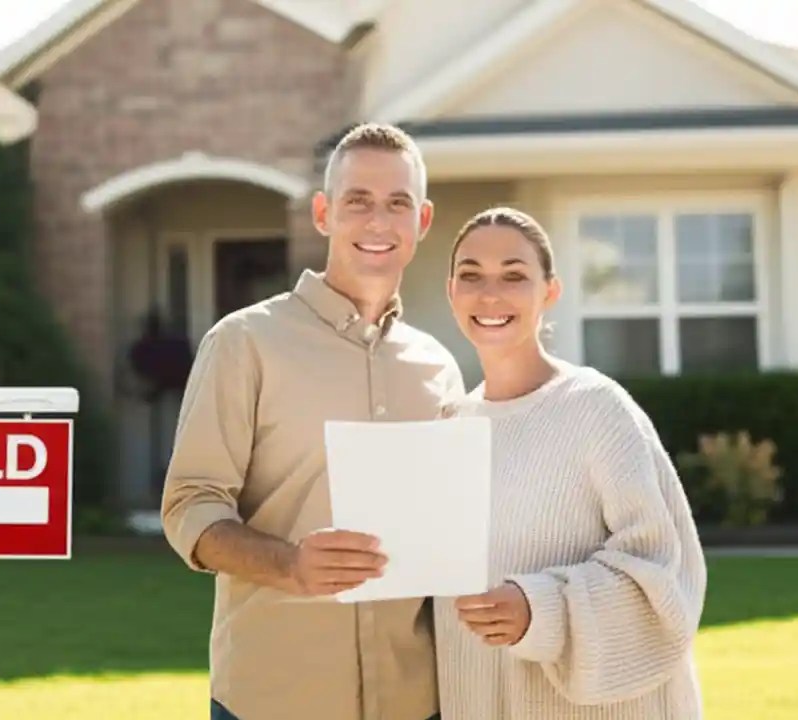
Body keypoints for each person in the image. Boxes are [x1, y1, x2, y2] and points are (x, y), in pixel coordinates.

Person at [160, 123, 465, 720]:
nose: (378, 222)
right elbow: (189, 507)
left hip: (416, 701)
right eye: (358, 202)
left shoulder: (439, 367)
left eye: (397, 204)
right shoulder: (244, 343)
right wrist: (290, 565)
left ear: (422, 222)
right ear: (323, 214)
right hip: (274, 699)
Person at [434, 206, 707, 719]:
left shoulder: (596, 407)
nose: (489, 295)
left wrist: (540, 609)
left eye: (513, 276)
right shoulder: (449, 428)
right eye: (471, 276)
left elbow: (662, 574)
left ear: (549, 292)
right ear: (452, 292)